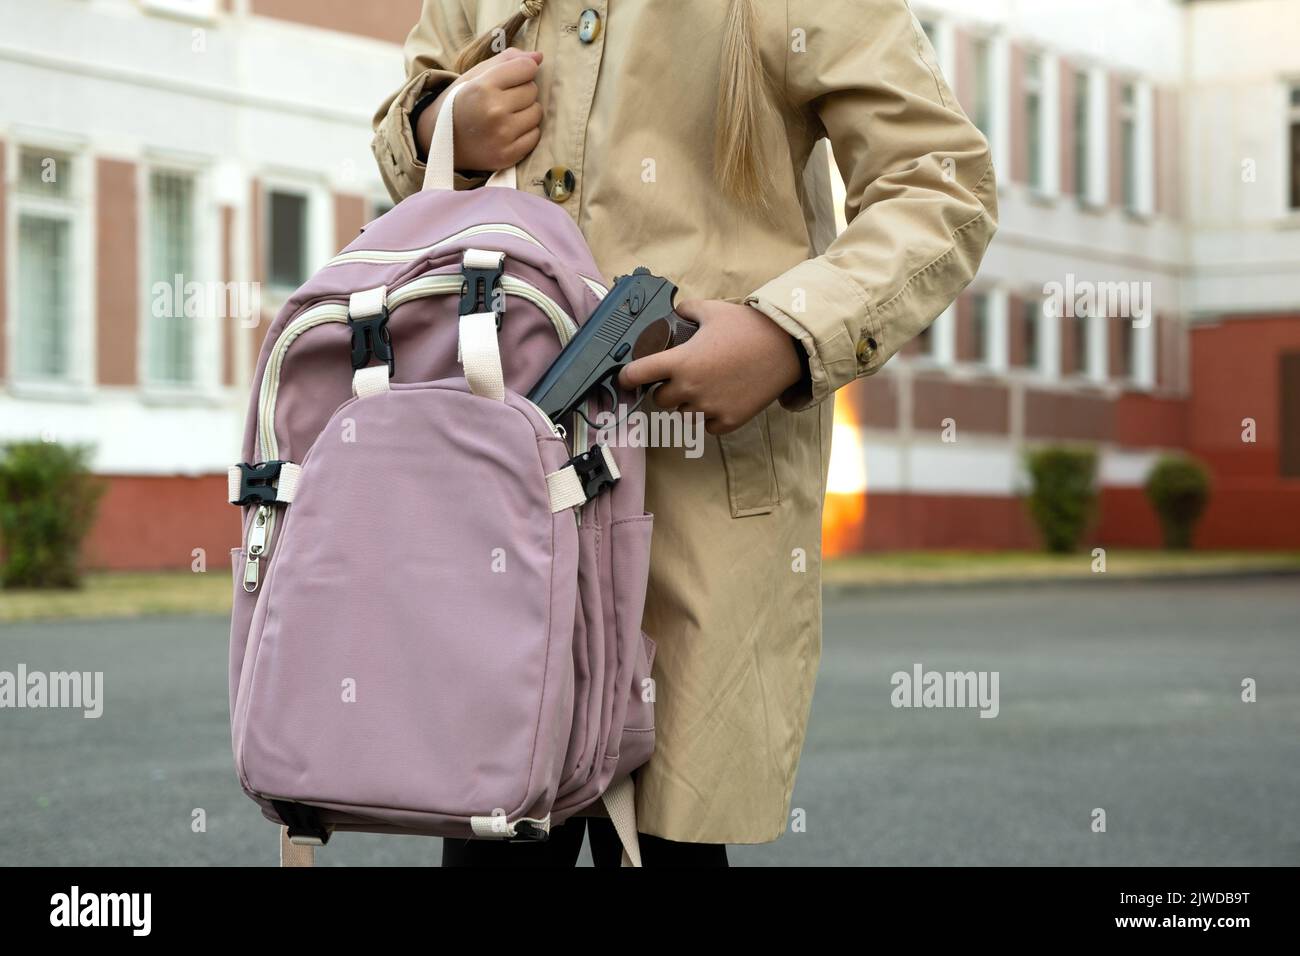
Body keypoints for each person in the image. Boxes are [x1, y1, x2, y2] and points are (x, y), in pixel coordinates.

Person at [372, 0, 997, 866]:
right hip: (501, 479)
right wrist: (444, 124)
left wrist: (786, 333)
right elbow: (409, 124)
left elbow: (942, 184)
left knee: (672, 843)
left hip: (697, 490)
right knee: (495, 821)